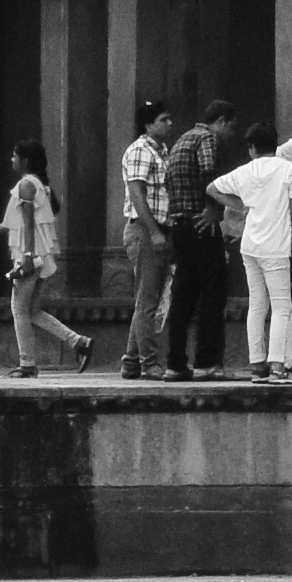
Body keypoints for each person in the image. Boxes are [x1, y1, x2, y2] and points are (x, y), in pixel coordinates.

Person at [210, 124, 292, 377]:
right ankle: (277, 363)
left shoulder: (245, 170)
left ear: (252, 148)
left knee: (257, 304)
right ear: (274, 144)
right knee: (281, 307)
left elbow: (212, 189)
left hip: (250, 246)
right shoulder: (288, 170)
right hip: (275, 246)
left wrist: (241, 205)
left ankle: (257, 363)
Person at [0, 143, 85, 377]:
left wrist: (27, 256)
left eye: (14, 156)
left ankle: (27, 363)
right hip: (38, 255)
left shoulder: (25, 185)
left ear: (24, 160)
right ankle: (78, 342)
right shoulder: (39, 186)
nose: (11, 160)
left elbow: (27, 225)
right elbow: (13, 223)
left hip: (28, 256)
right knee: (32, 310)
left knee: (19, 310)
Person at [161, 104, 238, 381]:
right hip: (202, 225)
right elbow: (209, 174)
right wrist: (213, 208)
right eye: (230, 126)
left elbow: (169, 182)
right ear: (221, 121)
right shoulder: (208, 139)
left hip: (180, 225)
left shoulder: (181, 140)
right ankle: (206, 362)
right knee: (212, 292)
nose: (230, 134)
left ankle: (175, 363)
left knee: (183, 297)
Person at [110, 98, 179, 378]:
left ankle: (131, 359)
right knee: (147, 300)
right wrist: (153, 231)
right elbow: (137, 193)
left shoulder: (162, 151)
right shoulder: (140, 150)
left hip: (159, 228)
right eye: (163, 119)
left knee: (147, 297)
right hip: (145, 228)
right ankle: (149, 361)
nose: (169, 123)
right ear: (148, 124)